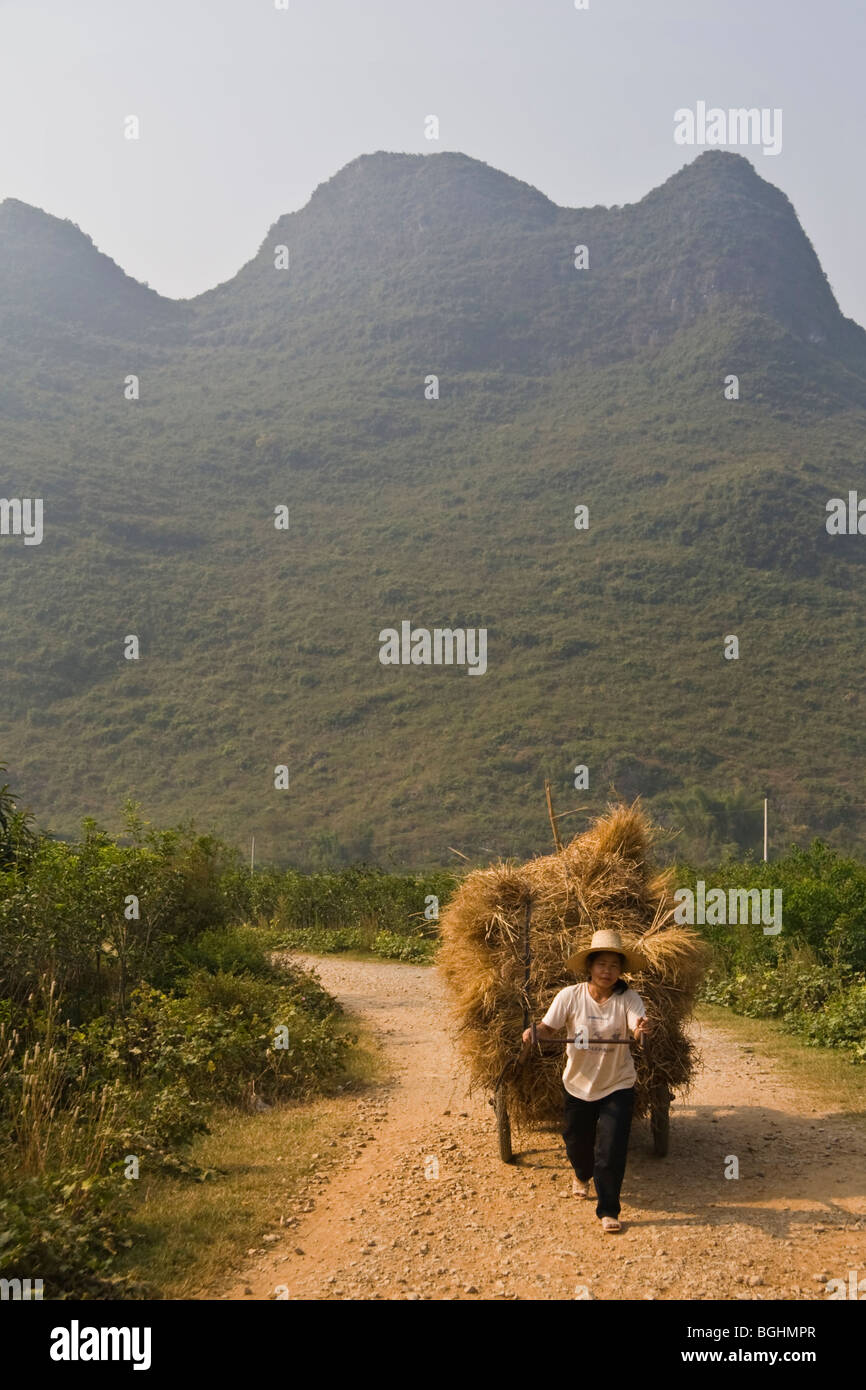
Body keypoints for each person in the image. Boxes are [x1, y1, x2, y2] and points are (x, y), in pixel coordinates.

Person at [522, 928, 652, 1233]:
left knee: (611, 1147)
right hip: (578, 1084)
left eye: (614, 966)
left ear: (621, 971)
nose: (607, 971)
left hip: (616, 1084)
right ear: (590, 967)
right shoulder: (570, 996)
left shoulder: (629, 999)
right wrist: (534, 1033)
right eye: (601, 964)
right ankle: (581, 1173)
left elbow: (637, 1027)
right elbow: (548, 1027)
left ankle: (608, 1209)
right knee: (577, 1143)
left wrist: (642, 1032)